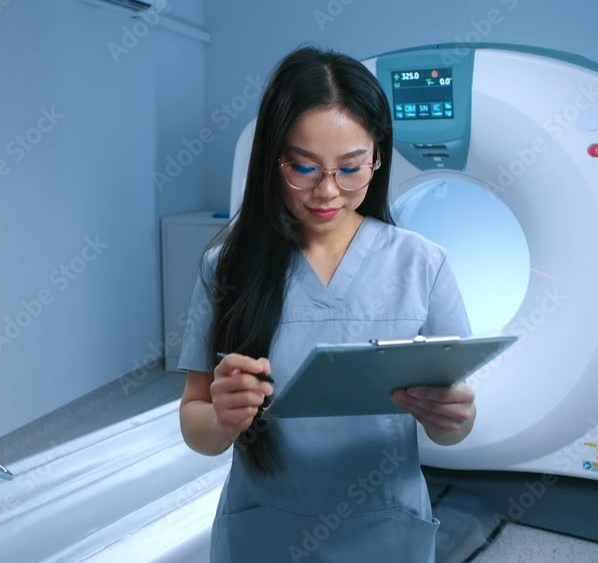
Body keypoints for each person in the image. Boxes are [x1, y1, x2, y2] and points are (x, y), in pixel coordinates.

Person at [177, 45, 475, 563]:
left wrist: (453, 420)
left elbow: (456, 426)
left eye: (351, 168)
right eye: (304, 167)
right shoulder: (228, 267)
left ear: (377, 158)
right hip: (264, 531)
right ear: (273, 159)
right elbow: (196, 425)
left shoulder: (422, 264)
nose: (327, 192)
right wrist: (223, 419)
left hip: (385, 532)